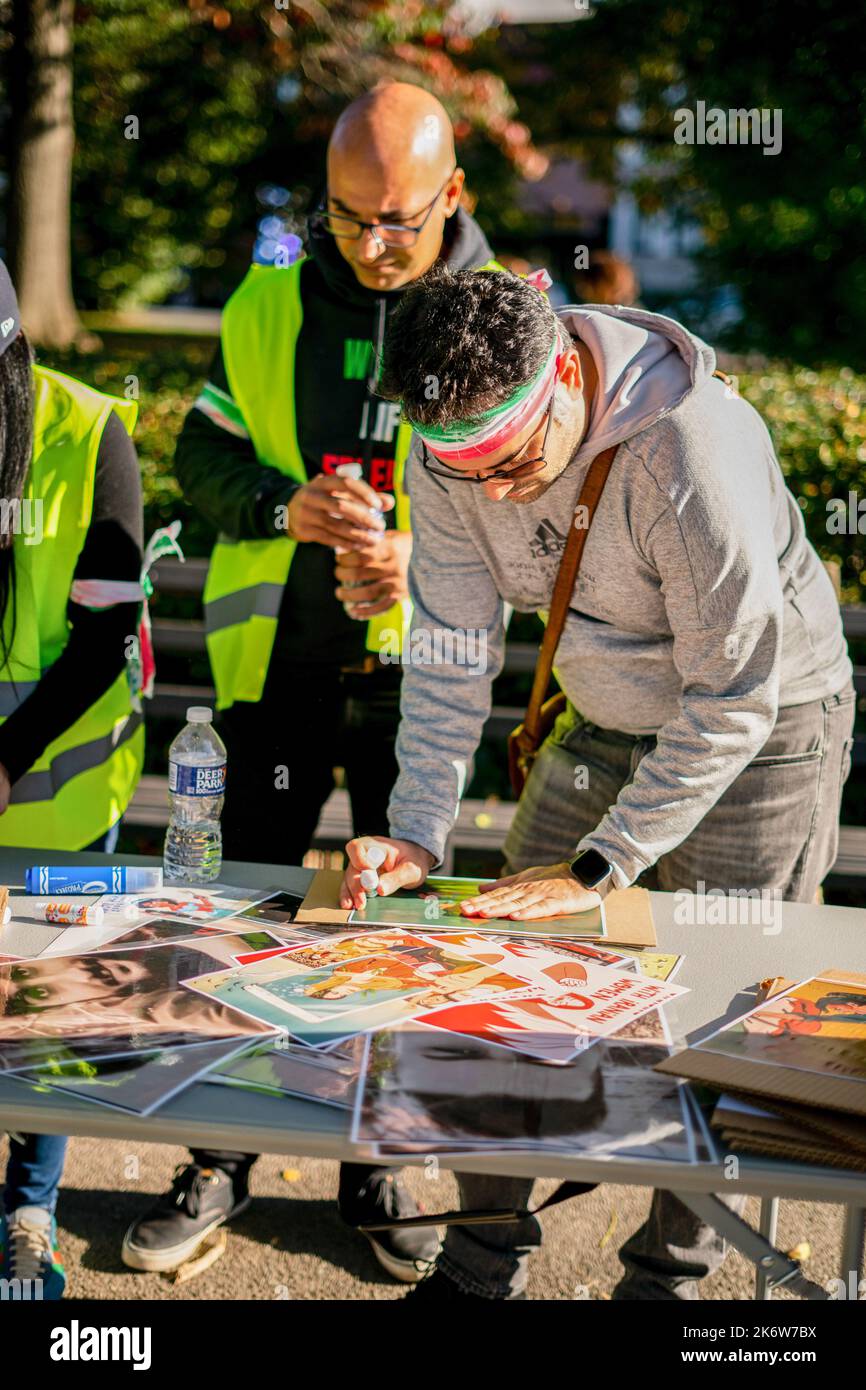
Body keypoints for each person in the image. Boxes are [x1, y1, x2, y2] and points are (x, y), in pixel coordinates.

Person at [339, 263, 855, 1300]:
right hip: (603, 717)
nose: (486, 489)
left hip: (764, 731)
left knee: (724, 1020)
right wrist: (418, 832)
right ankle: (480, 1258)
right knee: (506, 988)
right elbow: (448, 646)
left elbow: (732, 697)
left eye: (510, 459)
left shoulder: (689, 451)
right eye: (457, 466)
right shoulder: (449, 446)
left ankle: (663, 1280)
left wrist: (600, 866)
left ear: (564, 377)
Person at [122, 81, 502, 1284]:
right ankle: (218, 1154)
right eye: (346, 219)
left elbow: (548, 509)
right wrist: (280, 506)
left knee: (395, 926)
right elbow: (200, 452)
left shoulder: (509, 316)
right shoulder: (268, 300)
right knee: (252, 915)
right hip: (274, 673)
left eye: (399, 219)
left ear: (454, 196)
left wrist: (421, 555)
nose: (373, 246)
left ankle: (375, 1160)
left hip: (421, 689)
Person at [0, 259, 144, 1300]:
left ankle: (30, 1208)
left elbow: (103, 634)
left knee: (41, 1006)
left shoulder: (87, 430)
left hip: (58, 791)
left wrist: (7, 759)